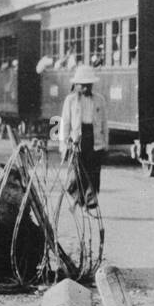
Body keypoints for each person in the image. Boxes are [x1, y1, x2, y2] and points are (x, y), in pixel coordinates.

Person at [58, 65, 109, 208]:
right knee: (79, 171)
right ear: (77, 86)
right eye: (83, 86)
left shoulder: (99, 100)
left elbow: (104, 123)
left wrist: (105, 144)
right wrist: (64, 145)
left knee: (94, 171)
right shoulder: (71, 100)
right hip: (78, 139)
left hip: (94, 138)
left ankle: (90, 199)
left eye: (89, 85)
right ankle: (78, 195)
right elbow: (65, 123)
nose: (86, 89)